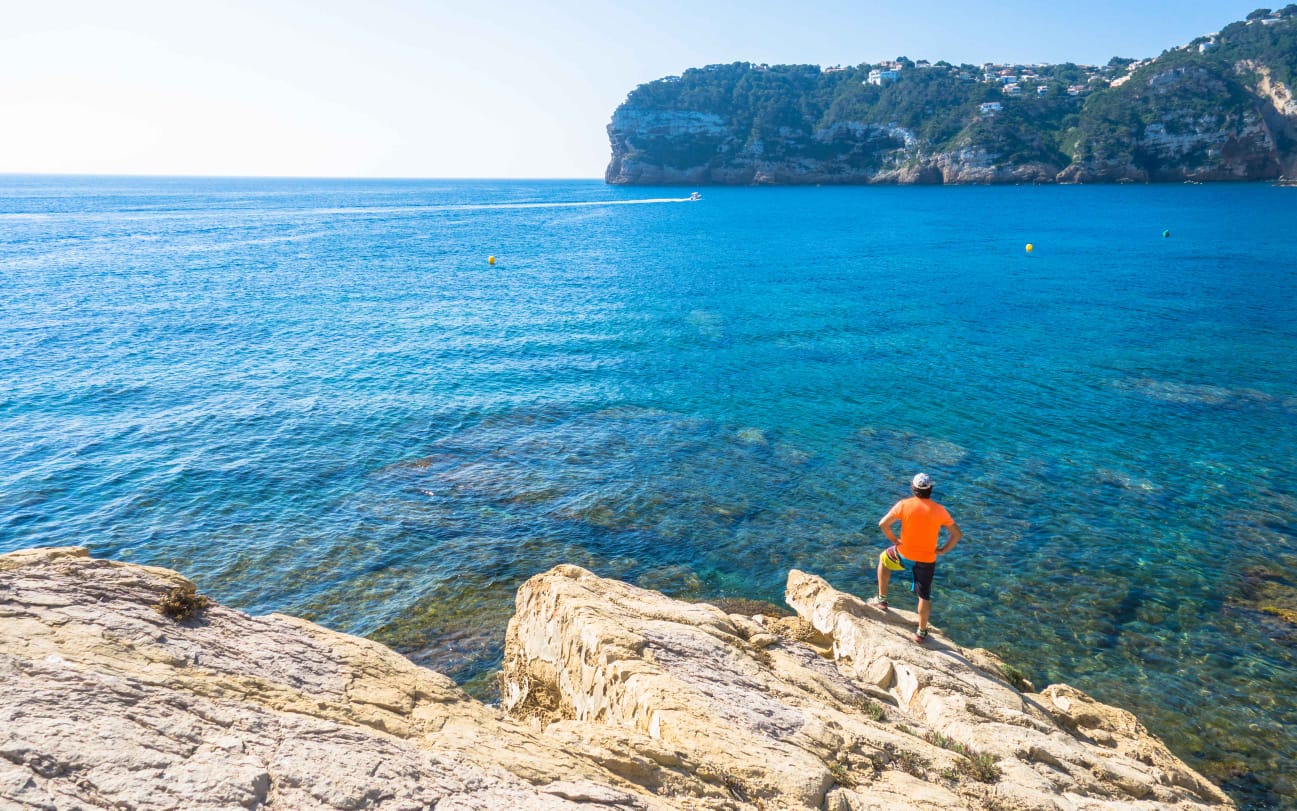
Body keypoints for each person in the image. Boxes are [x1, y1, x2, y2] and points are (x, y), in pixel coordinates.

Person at [868, 472, 962, 644]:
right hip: (927, 559)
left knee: (883, 560)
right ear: (930, 489)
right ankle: (921, 632)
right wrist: (942, 550)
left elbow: (883, 524)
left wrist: (894, 540)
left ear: (913, 488)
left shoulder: (904, 505)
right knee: (924, 596)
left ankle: (882, 600)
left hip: (904, 554)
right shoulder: (940, 510)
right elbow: (956, 534)